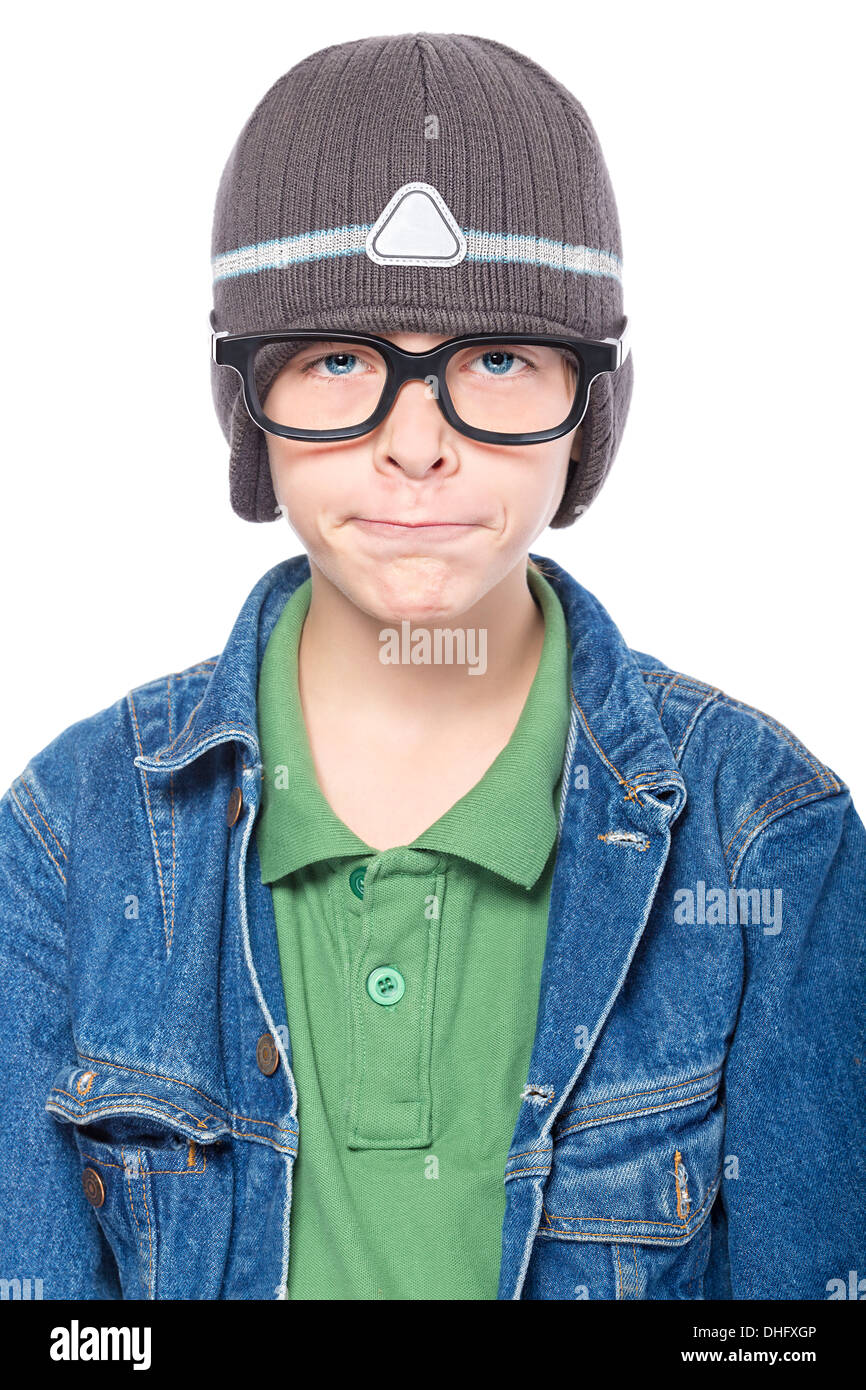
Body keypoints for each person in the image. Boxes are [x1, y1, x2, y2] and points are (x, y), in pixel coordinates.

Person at [0, 31, 863, 1302]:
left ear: (590, 405)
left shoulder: (762, 840)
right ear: (249, 400)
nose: (418, 444)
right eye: (341, 358)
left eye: (497, 359)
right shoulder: (73, 840)